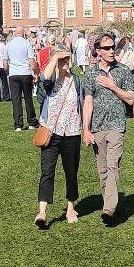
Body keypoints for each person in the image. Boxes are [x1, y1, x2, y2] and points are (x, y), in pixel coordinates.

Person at [81, 32, 134, 225]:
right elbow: (88, 102)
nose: (111, 50)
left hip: (116, 126)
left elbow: (130, 98)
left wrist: (113, 86)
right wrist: (85, 129)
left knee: (113, 166)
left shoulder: (122, 71)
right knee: (103, 170)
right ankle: (110, 204)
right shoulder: (90, 74)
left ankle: (108, 208)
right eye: (107, 48)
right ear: (98, 51)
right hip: (97, 127)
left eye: (113, 47)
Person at [35, 50, 83, 228]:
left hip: (71, 132)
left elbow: (82, 103)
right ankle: (42, 211)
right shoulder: (51, 81)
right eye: (62, 61)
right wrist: (56, 56)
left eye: (67, 60)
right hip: (51, 132)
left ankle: (71, 207)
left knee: (71, 172)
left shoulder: (76, 81)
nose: (65, 63)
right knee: (47, 171)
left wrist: (85, 128)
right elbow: (43, 77)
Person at [6, 27, 38, 131]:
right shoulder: (26, 44)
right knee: (28, 98)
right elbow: (32, 61)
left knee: (16, 100)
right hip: (25, 73)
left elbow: (5, 63)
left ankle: (18, 124)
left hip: (13, 74)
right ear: (23, 33)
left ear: (15, 33)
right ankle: (32, 122)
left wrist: (8, 72)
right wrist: (35, 72)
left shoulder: (8, 44)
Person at [115, 37, 134, 119]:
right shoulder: (128, 48)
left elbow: (118, 59)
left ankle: (125, 113)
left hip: (122, 72)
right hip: (130, 71)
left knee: (122, 92)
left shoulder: (117, 50)